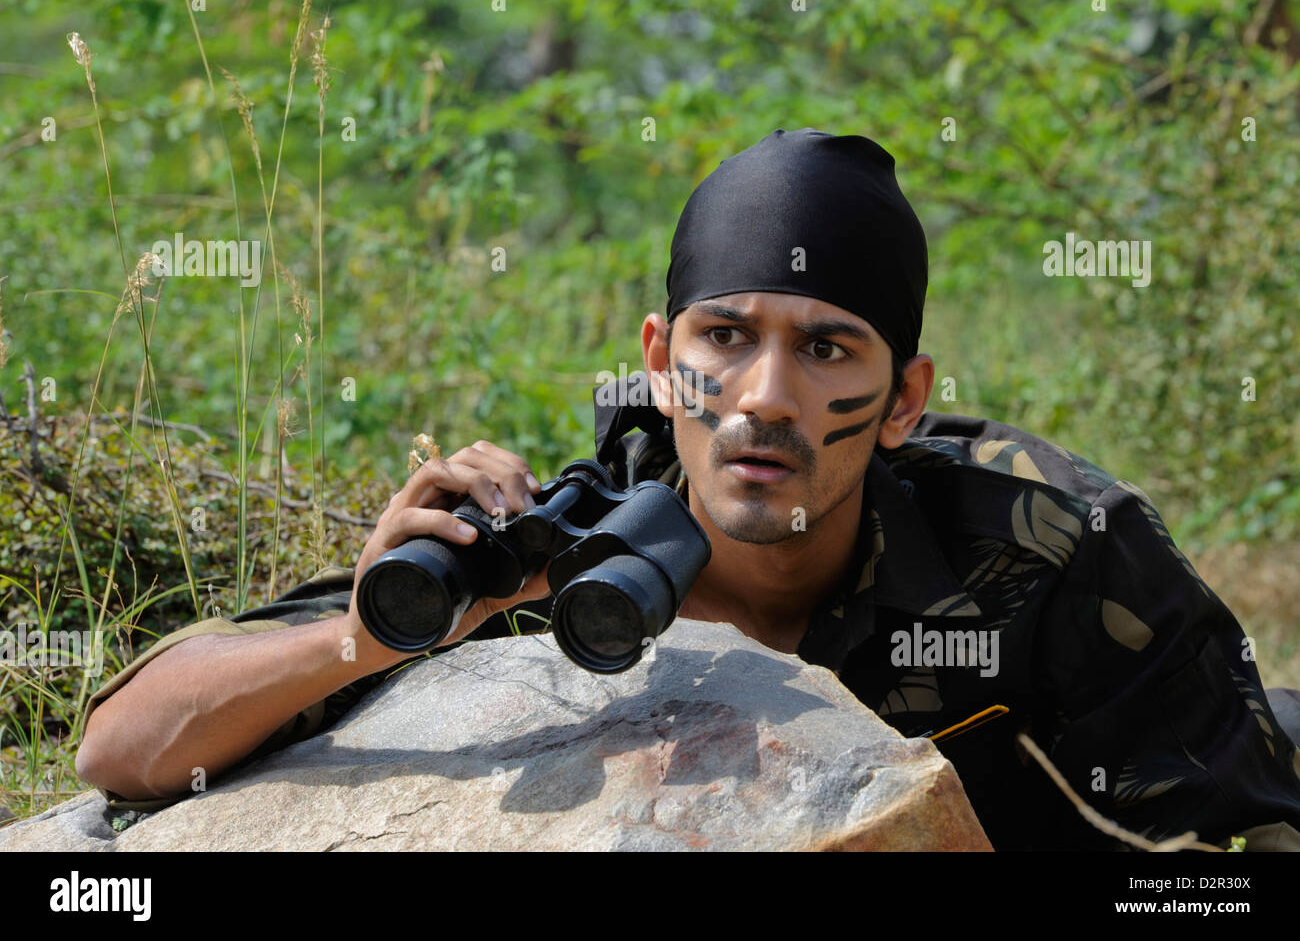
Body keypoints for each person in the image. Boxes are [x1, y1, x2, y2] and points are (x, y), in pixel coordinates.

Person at [75, 128, 1300, 850]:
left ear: (906, 396)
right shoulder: (557, 537)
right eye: (725, 337)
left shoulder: (1048, 540)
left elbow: (1233, 852)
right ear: (661, 363)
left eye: (827, 349)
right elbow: (122, 754)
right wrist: (368, 631)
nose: (764, 396)